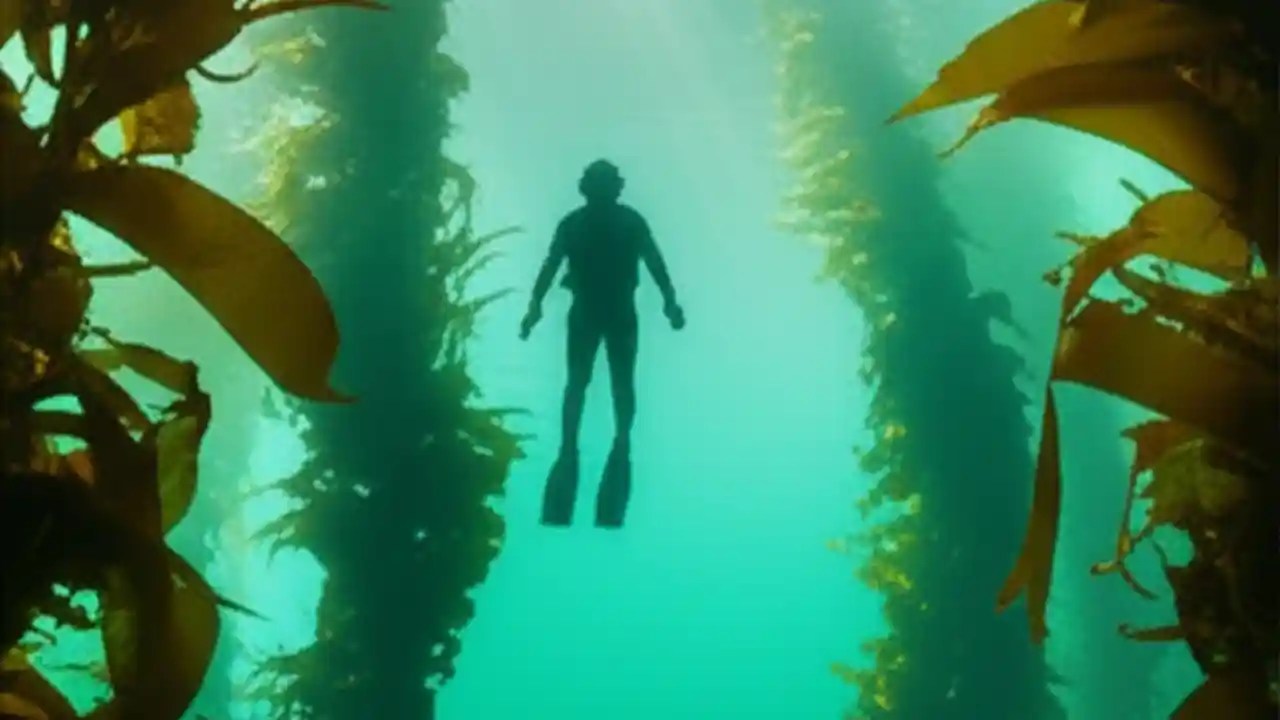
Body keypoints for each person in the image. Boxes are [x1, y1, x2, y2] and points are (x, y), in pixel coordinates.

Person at [519, 159, 684, 527]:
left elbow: (655, 263)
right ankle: (595, 443)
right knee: (596, 381)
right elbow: (551, 265)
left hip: (602, 311)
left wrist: (670, 301)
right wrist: (534, 306)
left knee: (596, 381)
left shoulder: (586, 223)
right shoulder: (607, 222)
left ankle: (587, 444)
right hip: (603, 311)